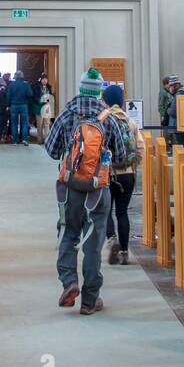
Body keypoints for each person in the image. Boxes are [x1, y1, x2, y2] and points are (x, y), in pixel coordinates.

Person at [45, 68, 129, 314]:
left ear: (81, 88)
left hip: (70, 188)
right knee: (93, 242)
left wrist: (70, 154)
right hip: (97, 190)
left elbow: (50, 150)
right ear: (99, 91)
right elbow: (122, 156)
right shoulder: (108, 118)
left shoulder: (66, 114)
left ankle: (70, 282)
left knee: (68, 234)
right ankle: (91, 300)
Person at [104, 85, 144, 265]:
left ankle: (111, 238)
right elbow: (140, 148)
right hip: (127, 174)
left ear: (105, 101)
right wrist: (132, 166)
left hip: (108, 173)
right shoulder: (130, 121)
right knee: (122, 212)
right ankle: (125, 251)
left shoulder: (103, 120)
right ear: (121, 101)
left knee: (105, 211)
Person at [165, 75, 184, 153]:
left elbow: (173, 112)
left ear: (176, 85)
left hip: (178, 126)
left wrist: (167, 110)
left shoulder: (179, 94)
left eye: (171, 85)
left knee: (181, 150)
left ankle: (182, 164)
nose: (169, 87)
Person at [7, 69, 33, 145]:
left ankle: (15, 141)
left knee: (14, 123)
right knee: (24, 123)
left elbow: (8, 95)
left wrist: (8, 105)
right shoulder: (26, 84)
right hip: (23, 105)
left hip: (14, 105)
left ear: (15, 76)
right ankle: (24, 139)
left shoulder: (11, 84)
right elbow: (30, 94)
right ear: (22, 76)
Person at [34, 74, 55, 144]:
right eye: (43, 79)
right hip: (39, 108)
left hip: (47, 108)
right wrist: (43, 101)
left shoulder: (49, 87)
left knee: (47, 124)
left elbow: (51, 96)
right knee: (39, 125)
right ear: (41, 80)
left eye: (46, 79)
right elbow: (35, 98)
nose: (45, 80)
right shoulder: (37, 87)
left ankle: (47, 140)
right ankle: (39, 140)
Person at [1, 72, 12, 141]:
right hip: (10, 106)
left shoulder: (1, 85)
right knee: (11, 121)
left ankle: (3, 135)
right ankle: (8, 135)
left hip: (3, 106)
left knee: (4, 121)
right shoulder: (11, 84)